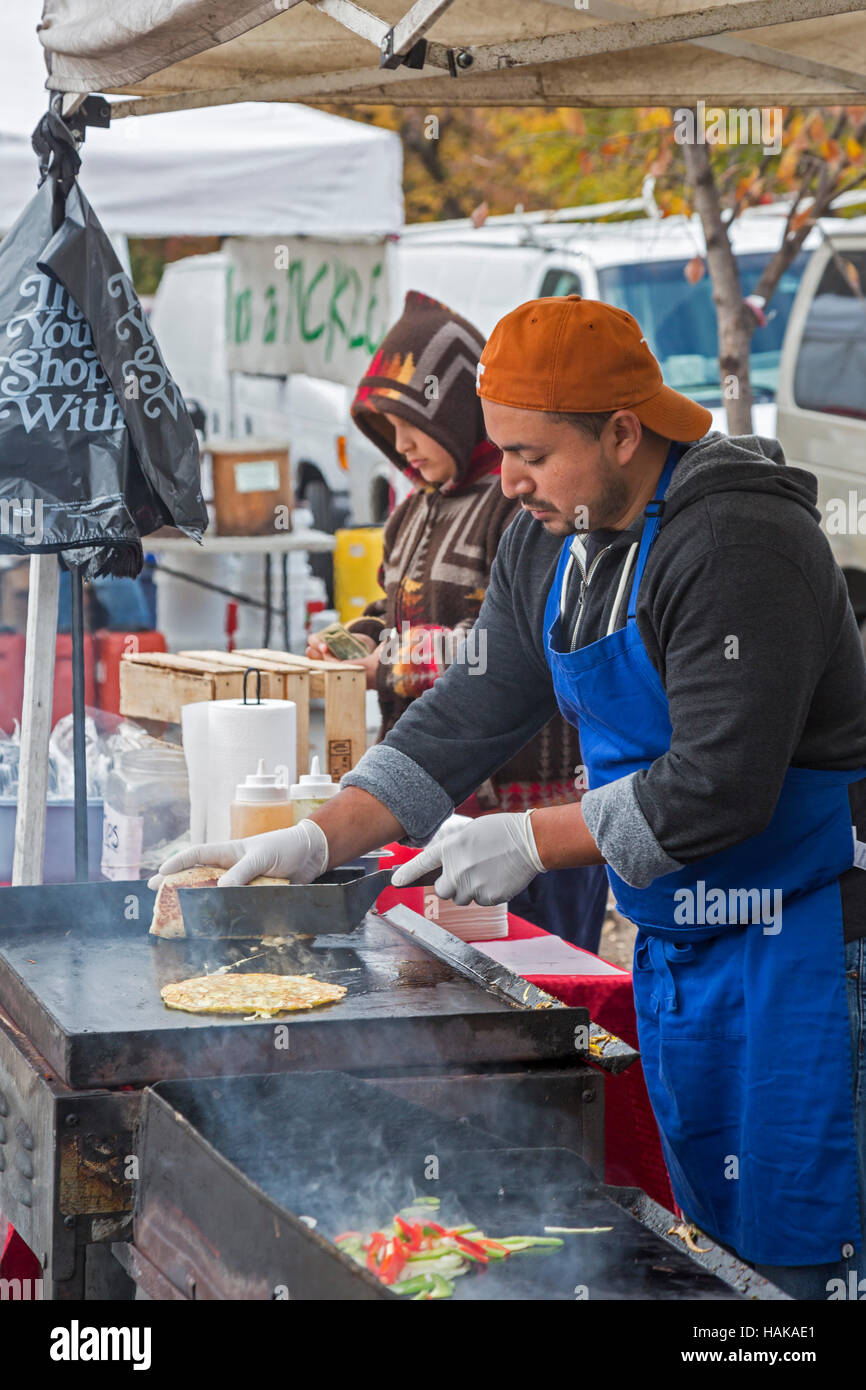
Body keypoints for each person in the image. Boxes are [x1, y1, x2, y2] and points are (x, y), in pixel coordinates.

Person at [154, 294, 866, 1297]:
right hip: (678, 945)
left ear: (622, 431)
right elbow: (472, 708)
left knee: (807, 1257)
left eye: (531, 454)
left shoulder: (737, 540)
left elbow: (717, 788)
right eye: (501, 452)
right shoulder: (547, 541)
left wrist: (527, 840)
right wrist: (316, 840)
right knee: (716, 1249)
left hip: (801, 948)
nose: (510, 480)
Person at [307, 289, 608, 949]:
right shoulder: (412, 510)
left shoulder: (527, 506)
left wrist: (392, 662)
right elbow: (394, 609)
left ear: (455, 412)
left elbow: (518, 649)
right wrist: (358, 636)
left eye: (412, 423)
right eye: (386, 427)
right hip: (434, 810)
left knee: (543, 989)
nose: (401, 443)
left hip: (533, 823)